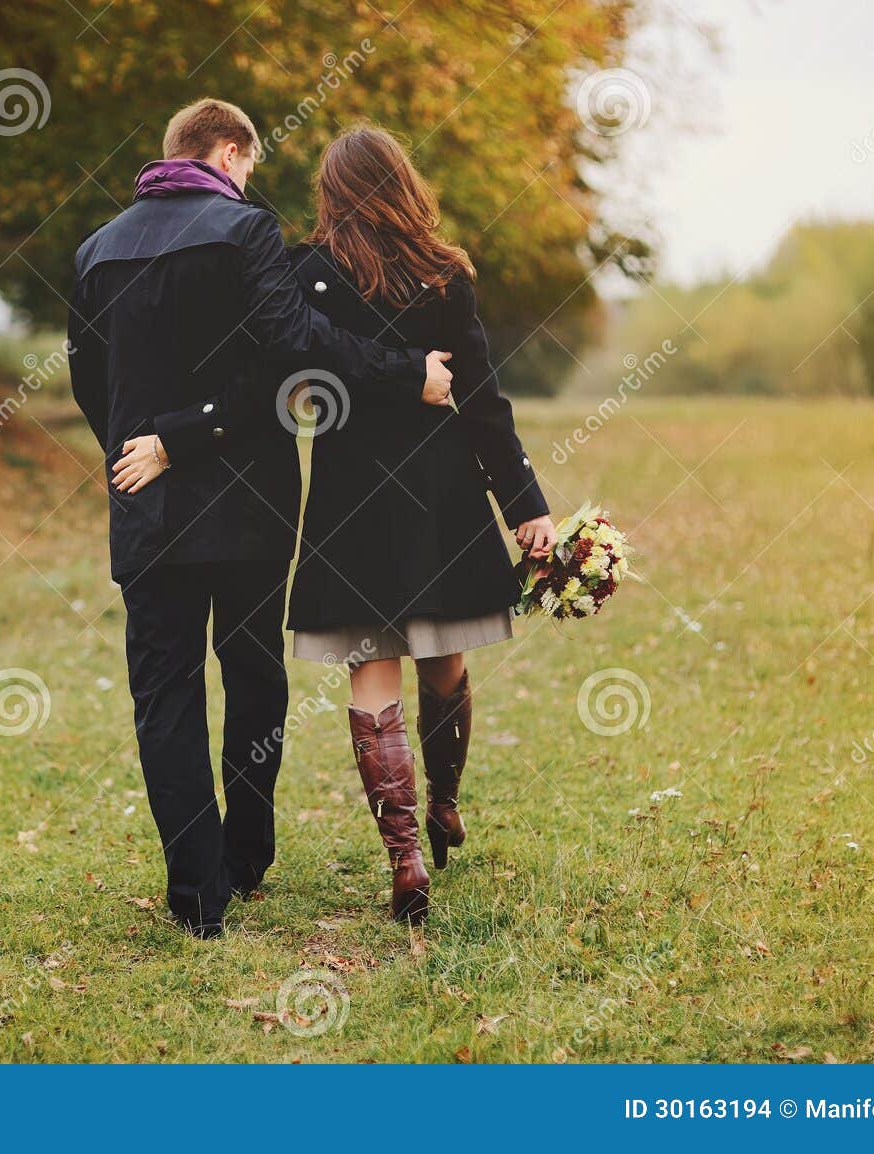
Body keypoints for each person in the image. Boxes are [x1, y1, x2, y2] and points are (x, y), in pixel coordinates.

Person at [68, 99, 455, 938]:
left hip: (146, 510)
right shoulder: (245, 233)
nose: (247, 180)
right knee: (252, 678)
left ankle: (195, 897)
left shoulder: (95, 251)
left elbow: (89, 387)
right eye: (247, 164)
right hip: (247, 503)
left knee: (163, 696)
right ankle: (246, 860)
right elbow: (294, 347)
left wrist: (145, 450)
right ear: (231, 151)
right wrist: (402, 371)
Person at [285, 125, 557, 921]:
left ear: (332, 195)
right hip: (440, 499)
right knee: (443, 667)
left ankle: (405, 861)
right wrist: (524, 505)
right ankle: (442, 803)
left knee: (373, 678)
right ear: (403, 183)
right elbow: (483, 400)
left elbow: (303, 377)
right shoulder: (445, 276)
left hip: (351, 501)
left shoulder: (306, 275)